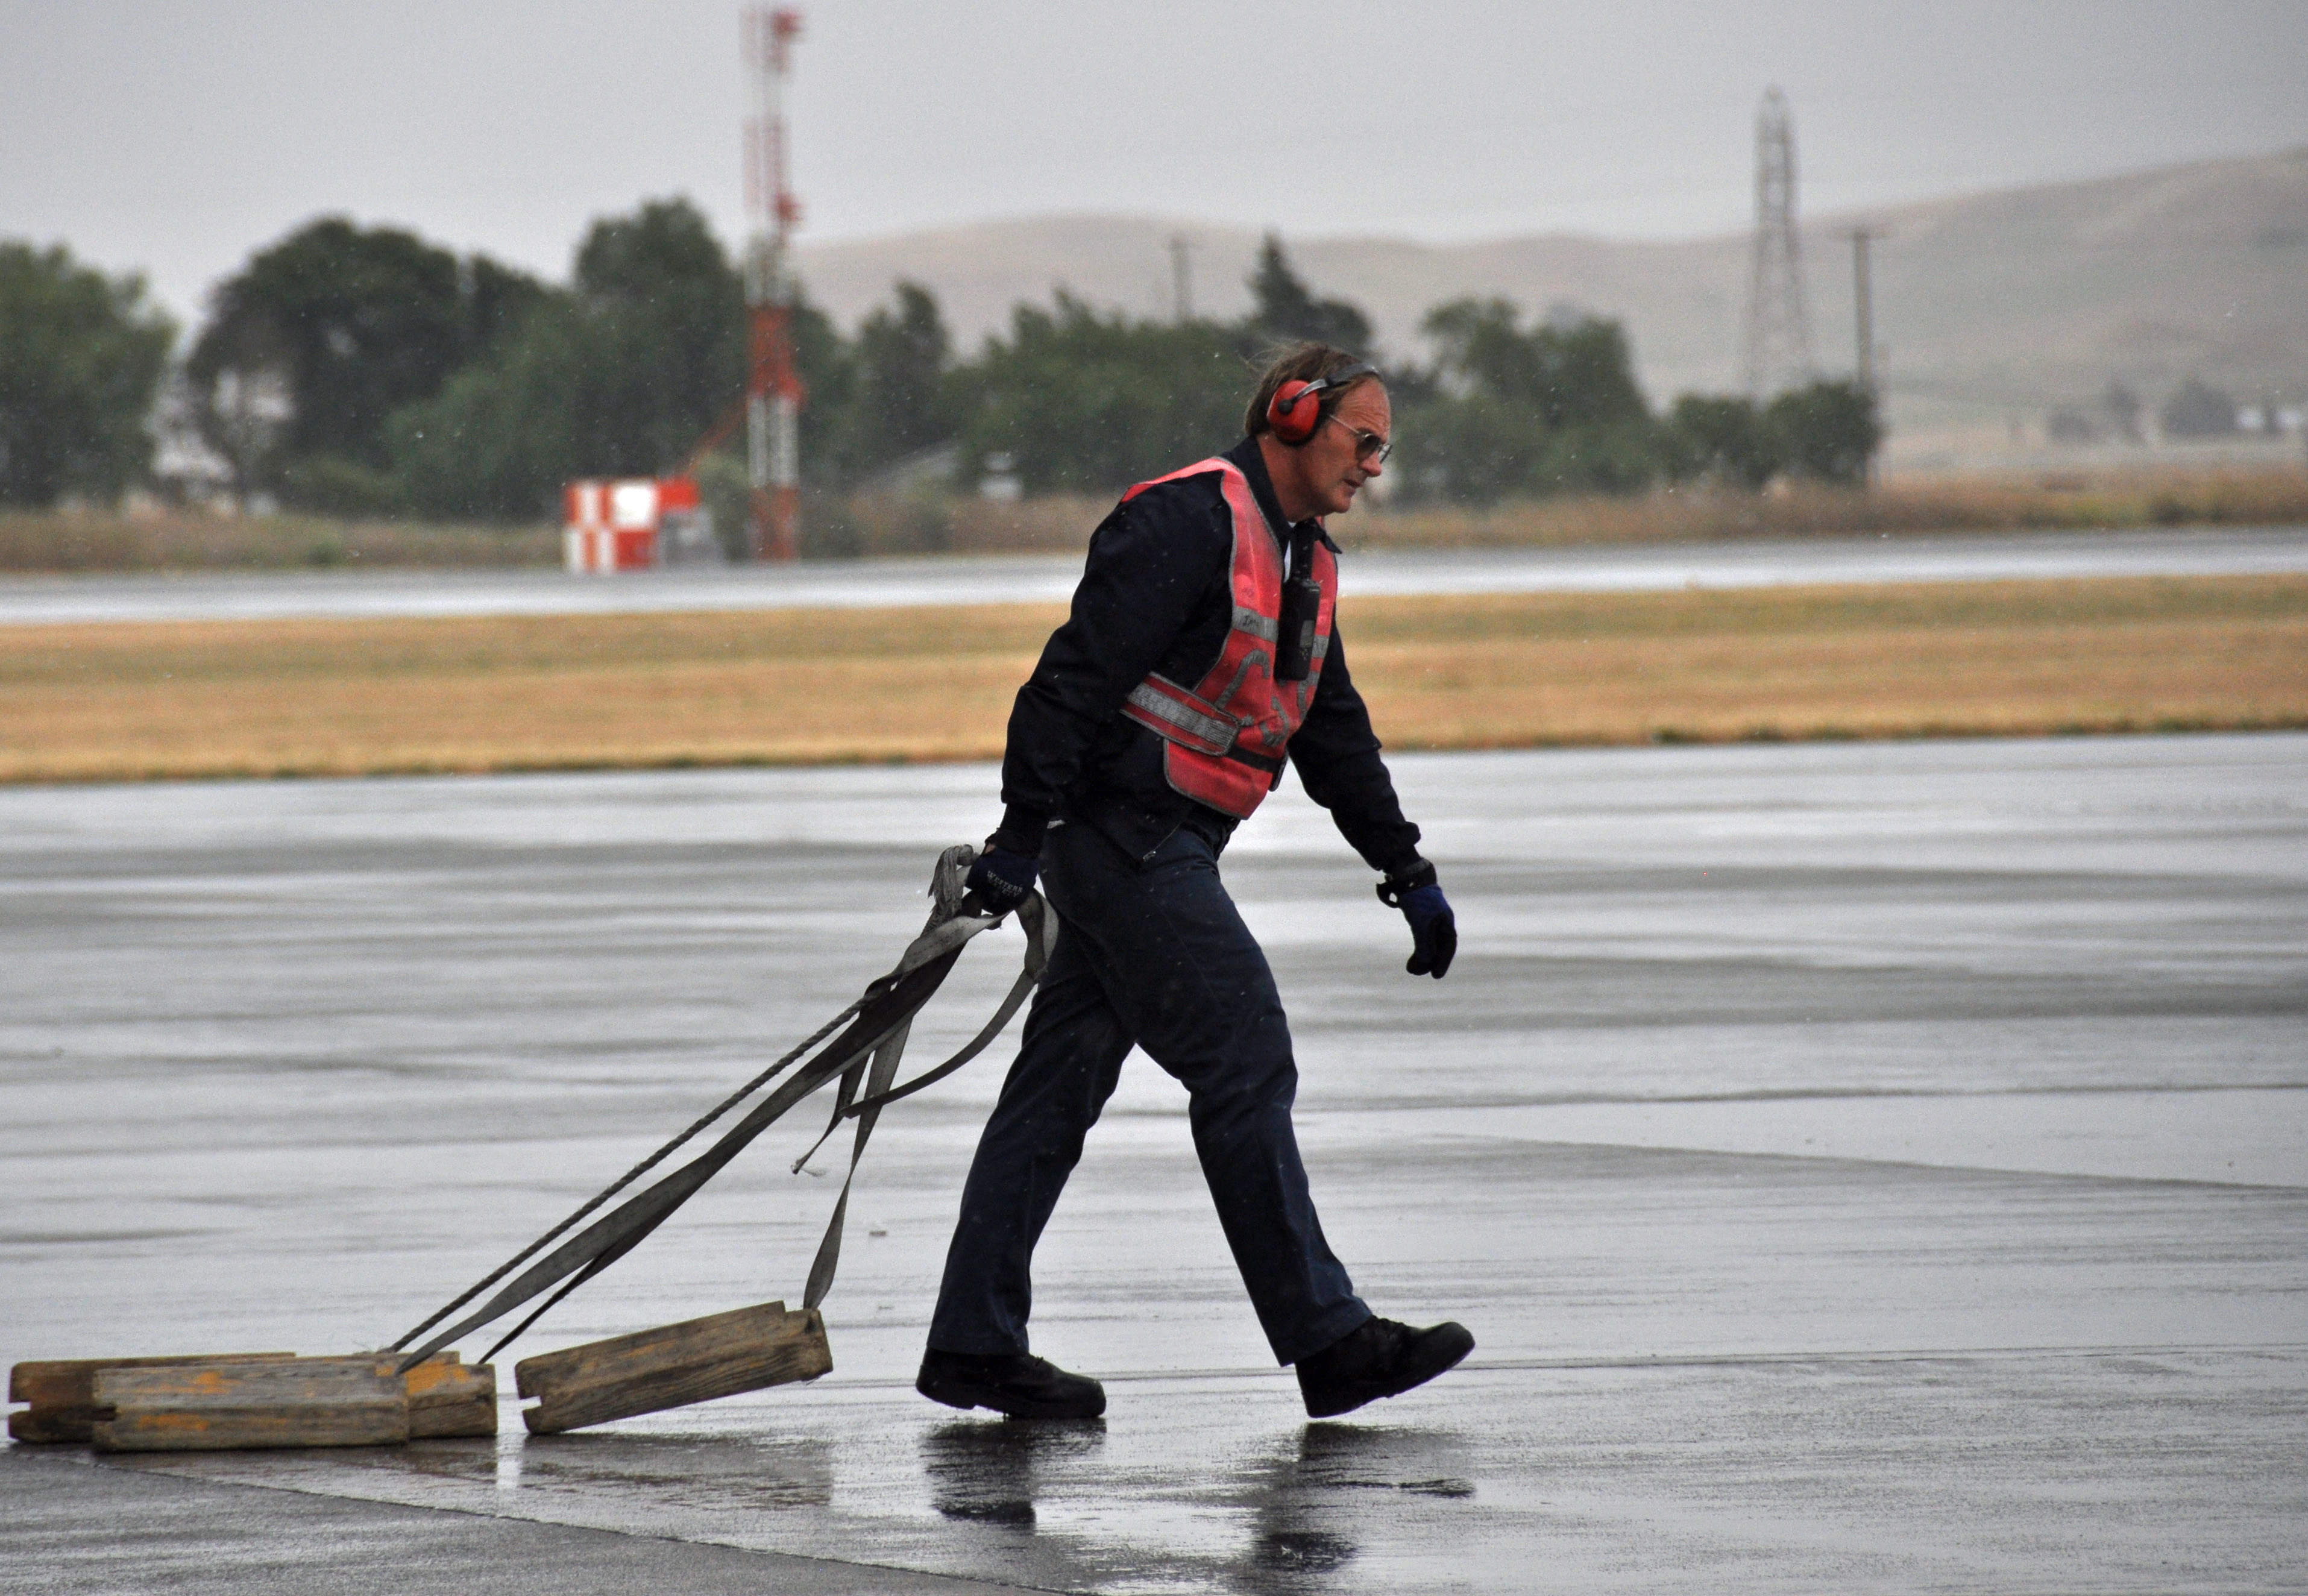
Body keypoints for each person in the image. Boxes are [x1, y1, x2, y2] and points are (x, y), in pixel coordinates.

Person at [915, 344, 1472, 1422]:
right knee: (1245, 1056)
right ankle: (1328, 1339)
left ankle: (974, 1345)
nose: (1373, 467)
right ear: (1294, 416)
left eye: (1383, 450)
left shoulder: (1303, 558)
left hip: (1164, 846)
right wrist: (1020, 834)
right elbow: (1067, 685)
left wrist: (1402, 865)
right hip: (1125, 843)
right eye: (1364, 442)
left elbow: (1330, 730)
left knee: (1056, 1090)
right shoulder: (1187, 520)